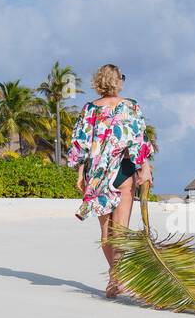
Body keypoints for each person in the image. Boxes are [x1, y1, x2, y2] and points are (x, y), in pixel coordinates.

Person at [65, 64, 155, 298]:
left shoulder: (89, 109)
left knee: (107, 231)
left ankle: (115, 276)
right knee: (121, 230)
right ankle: (117, 277)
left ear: (99, 81)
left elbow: (80, 144)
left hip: (97, 174)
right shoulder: (131, 106)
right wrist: (144, 167)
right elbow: (139, 140)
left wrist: (80, 174)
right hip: (123, 170)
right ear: (118, 81)